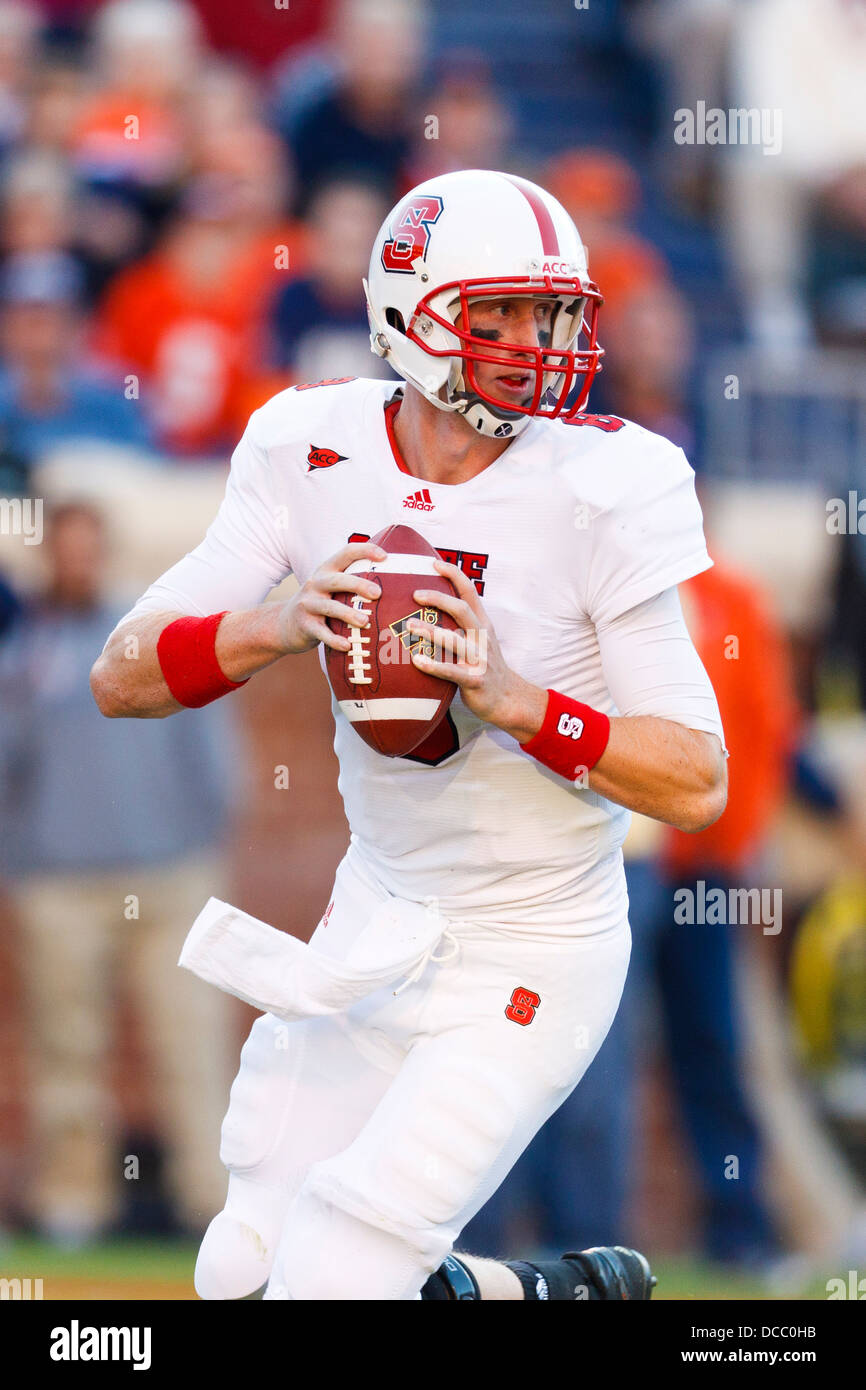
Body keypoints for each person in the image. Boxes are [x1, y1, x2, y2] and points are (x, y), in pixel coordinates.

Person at [91, 168, 727, 1301]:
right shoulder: (308, 446)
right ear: (410, 308)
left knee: (333, 1277)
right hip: (379, 916)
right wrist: (271, 623)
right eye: (503, 312)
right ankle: (516, 1292)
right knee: (238, 1272)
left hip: (531, 947)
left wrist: (521, 699)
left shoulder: (605, 482)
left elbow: (693, 778)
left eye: (553, 312)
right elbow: (121, 672)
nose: (539, 340)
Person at [0, 501, 237, 1243]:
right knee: (66, 1045)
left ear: (107, 554)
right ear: (48, 559)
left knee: (192, 1041)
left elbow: (214, 754)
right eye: (63, 549)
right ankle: (76, 1199)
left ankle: (215, 1201)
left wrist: (203, 838)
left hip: (168, 876)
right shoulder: (25, 654)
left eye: (89, 548)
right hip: (60, 884)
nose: (77, 562)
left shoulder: (153, 641)